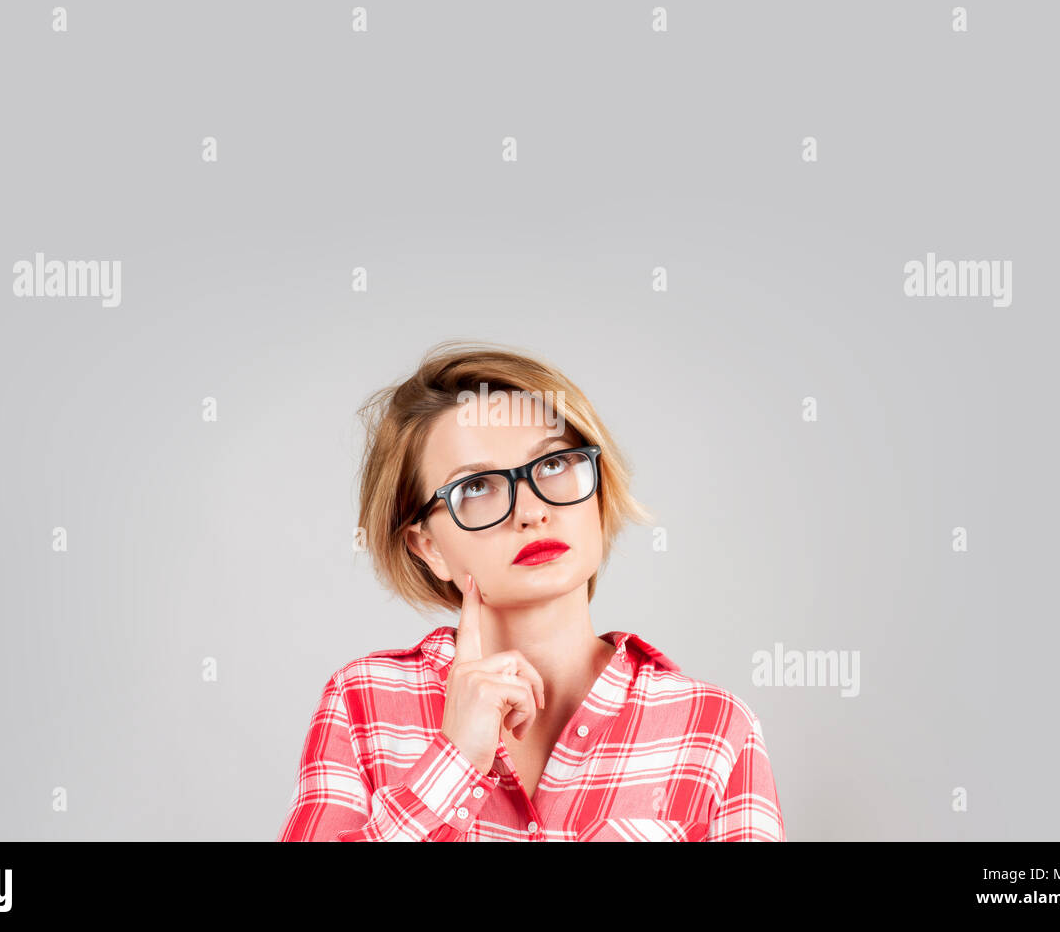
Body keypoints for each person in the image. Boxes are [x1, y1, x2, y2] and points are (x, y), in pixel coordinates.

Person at [278, 341, 785, 841]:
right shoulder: (365, 702)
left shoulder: (714, 728)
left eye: (553, 465)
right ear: (428, 545)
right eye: (476, 487)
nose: (531, 511)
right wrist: (452, 762)